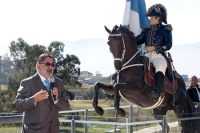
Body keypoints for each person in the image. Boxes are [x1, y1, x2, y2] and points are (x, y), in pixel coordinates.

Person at [14, 53, 70, 133]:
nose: (51, 67)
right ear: (38, 66)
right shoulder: (27, 83)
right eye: (47, 64)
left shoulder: (58, 83)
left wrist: (57, 100)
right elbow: (17, 105)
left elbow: (66, 105)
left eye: (53, 65)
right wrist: (34, 99)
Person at [136, 4, 173, 99]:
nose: (150, 19)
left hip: (158, 56)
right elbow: (138, 40)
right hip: (146, 55)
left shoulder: (166, 30)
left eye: (151, 17)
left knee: (160, 66)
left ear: (158, 18)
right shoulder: (146, 30)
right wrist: (127, 36)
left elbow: (168, 45)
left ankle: (157, 90)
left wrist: (154, 48)